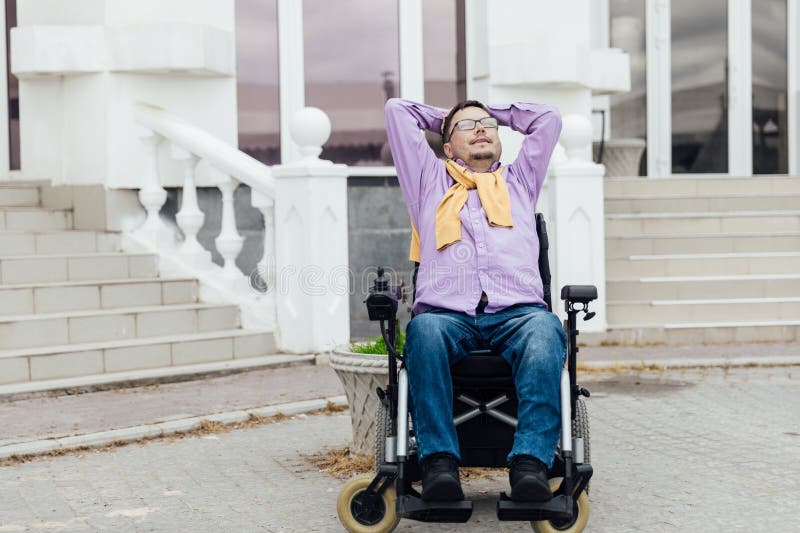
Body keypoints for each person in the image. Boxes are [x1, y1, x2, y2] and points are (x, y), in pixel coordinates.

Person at [384, 97, 565, 503]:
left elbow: (549, 118)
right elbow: (397, 110)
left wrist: (485, 113)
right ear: (447, 146)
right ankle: (439, 463)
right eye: (468, 128)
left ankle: (531, 463)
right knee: (423, 332)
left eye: (488, 126)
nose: (482, 129)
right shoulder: (428, 180)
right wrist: (451, 116)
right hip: (446, 315)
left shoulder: (521, 181)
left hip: (518, 313)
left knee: (546, 330)